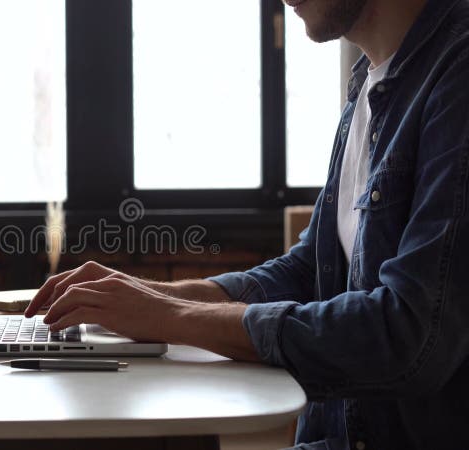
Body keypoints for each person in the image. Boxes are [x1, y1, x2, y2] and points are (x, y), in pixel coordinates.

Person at [25, 0, 469, 448]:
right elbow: (310, 269)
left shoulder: (458, 74)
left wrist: (172, 317)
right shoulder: (371, 84)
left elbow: (411, 338)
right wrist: (151, 296)